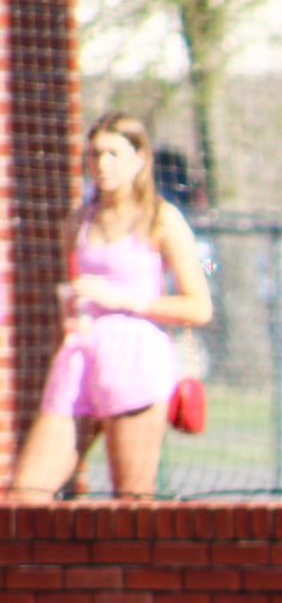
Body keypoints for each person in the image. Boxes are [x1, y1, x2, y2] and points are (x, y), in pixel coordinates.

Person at [6, 112, 213, 501]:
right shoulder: (78, 222)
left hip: (134, 362)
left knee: (131, 503)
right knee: (25, 496)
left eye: (113, 154)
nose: (102, 165)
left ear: (139, 159)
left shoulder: (161, 219)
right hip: (80, 360)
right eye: (95, 155)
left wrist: (123, 300)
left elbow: (198, 307)